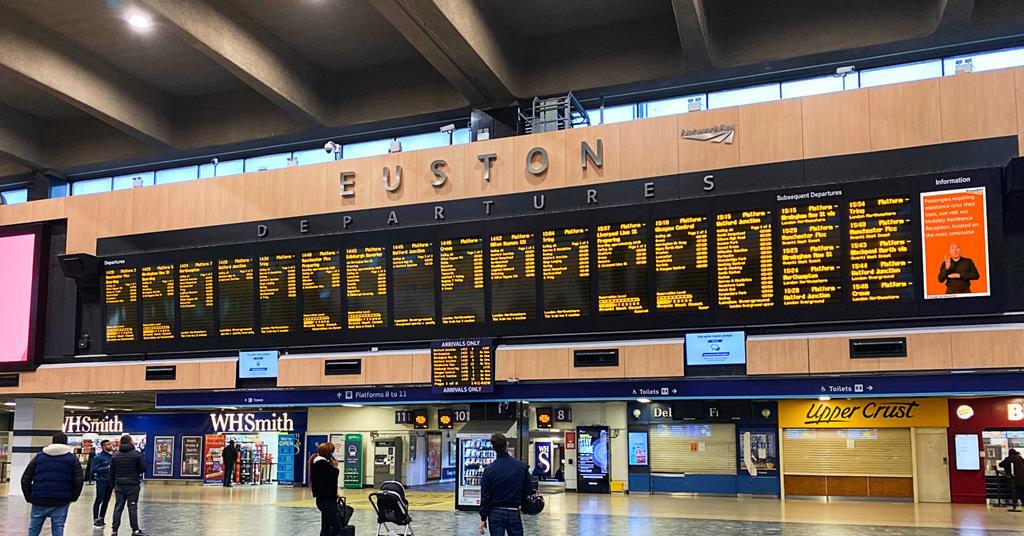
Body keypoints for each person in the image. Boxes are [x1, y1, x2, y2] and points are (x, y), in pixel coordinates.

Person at [21, 431, 84, 536]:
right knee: (58, 529)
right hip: (61, 500)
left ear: (52, 441)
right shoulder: (71, 459)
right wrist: (73, 497)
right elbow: (78, 480)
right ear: (66, 442)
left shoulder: (39, 457)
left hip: (39, 499)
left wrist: (29, 496)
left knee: (33, 529)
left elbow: (25, 478)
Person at [479, 433, 536, 536]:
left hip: (494, 512)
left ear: (493, 448)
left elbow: (485, 496)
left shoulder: (489, 470)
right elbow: (529, 490)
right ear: (507, 444)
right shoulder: (521, 467)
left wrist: (483, 517)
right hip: (514, 511)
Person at [109, 434, 148, 536]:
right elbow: (144, 468)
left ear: (121, 443)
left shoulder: (115, 456)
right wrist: (136, 472)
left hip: (119, 485)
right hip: (133, 485)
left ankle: (114, 530)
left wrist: (113, 485)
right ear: (130, 441)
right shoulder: (137, 454)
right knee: (132, 507)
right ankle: (135, 530)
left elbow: (111, 472)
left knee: (118, 507)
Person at [310, 442, 342, 536]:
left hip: (327, 498)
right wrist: (336, 468)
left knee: (326, 527)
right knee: (336, 526)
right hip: (325, 499)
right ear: (328, 454)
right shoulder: (322, 464)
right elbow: (331, 478)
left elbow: (327, 482)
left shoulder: (321, 463)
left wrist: (334, 493)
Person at [91, 439, 115, 527]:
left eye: (110, 444)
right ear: (103, 446)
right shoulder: (98, 457)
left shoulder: (112, 456)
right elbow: (93, 470)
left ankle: (102, 517)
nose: (110, 446)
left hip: (110, 482)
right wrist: (107, 469)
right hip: (101, 481)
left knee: (106, 501)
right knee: (99, 499)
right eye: (108, 444)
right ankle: (95, 518)